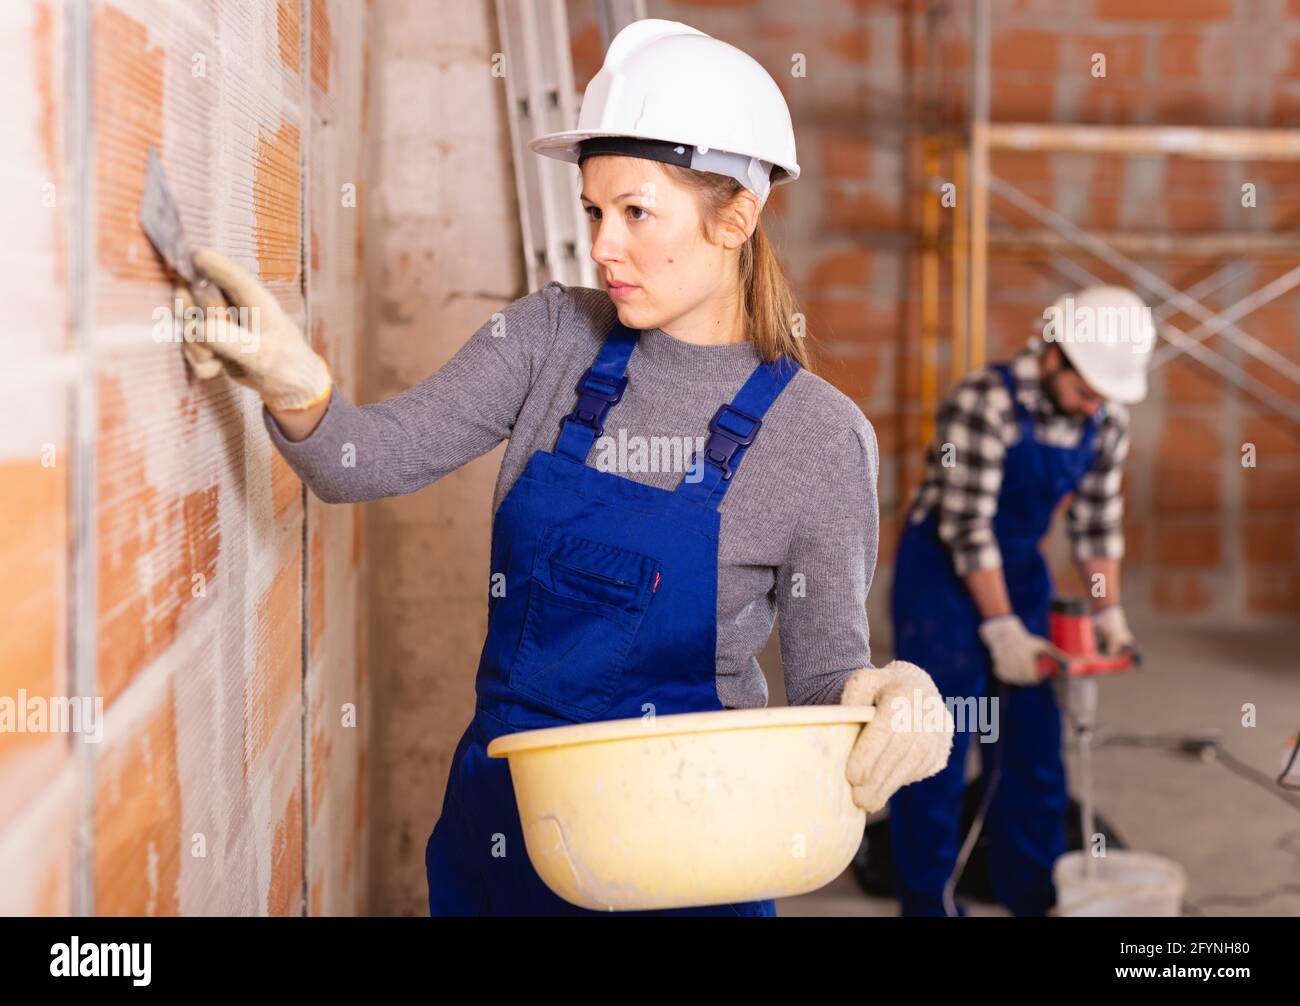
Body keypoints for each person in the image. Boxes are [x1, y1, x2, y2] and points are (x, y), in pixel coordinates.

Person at [172, 18, 953, 917]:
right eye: (593, 212)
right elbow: (364, 461)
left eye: (636, 212)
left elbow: (823, 688)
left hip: (694, 854)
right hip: (507, 836)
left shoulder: (818, 438)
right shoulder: (549, 338)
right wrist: (293, 379)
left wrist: (889, 696)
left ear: (736, 215)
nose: (602, 247)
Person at [888, 283, 1152, 917]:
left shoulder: (1105, 417)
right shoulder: (985, 402)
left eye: (1105, 396)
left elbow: (1095, 525)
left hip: (1021, 573)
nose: (1095, 407)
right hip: (943, 580)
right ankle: (929, 904)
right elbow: (967, 528)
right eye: (1088, 390)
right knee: (940, 747)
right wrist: (1003, 632)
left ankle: (1028, 895)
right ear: (1054, 353)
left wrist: (1108, 611)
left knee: (1033, 747)